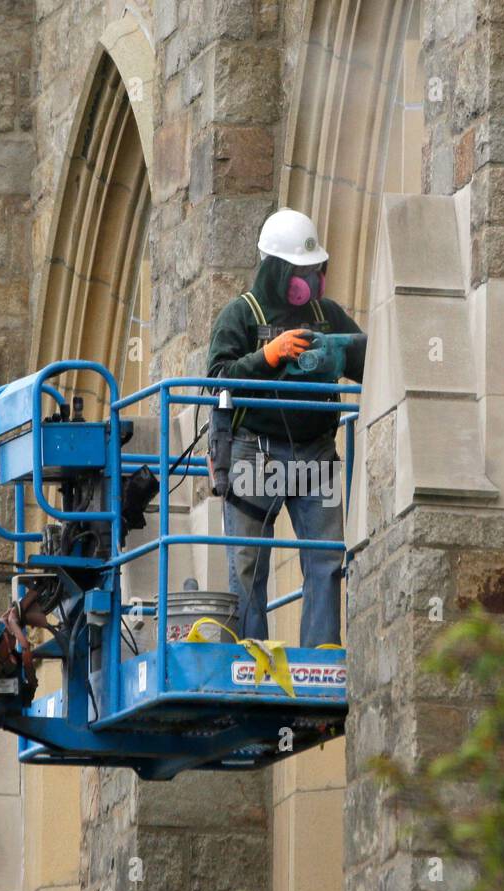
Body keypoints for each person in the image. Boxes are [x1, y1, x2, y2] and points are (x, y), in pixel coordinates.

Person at [206, 209, 366, 647]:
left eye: (316, 270)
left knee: (326, 559)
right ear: (276, 269)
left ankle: (321, 654)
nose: (312, 280)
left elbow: (372, 359)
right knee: (247, 564)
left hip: (316, 453)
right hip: (254, 452)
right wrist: (268, 356)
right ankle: (252, 658)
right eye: (302, 271)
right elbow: (215, 381)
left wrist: (342, 352)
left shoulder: (327, 315)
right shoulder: (241, 315)